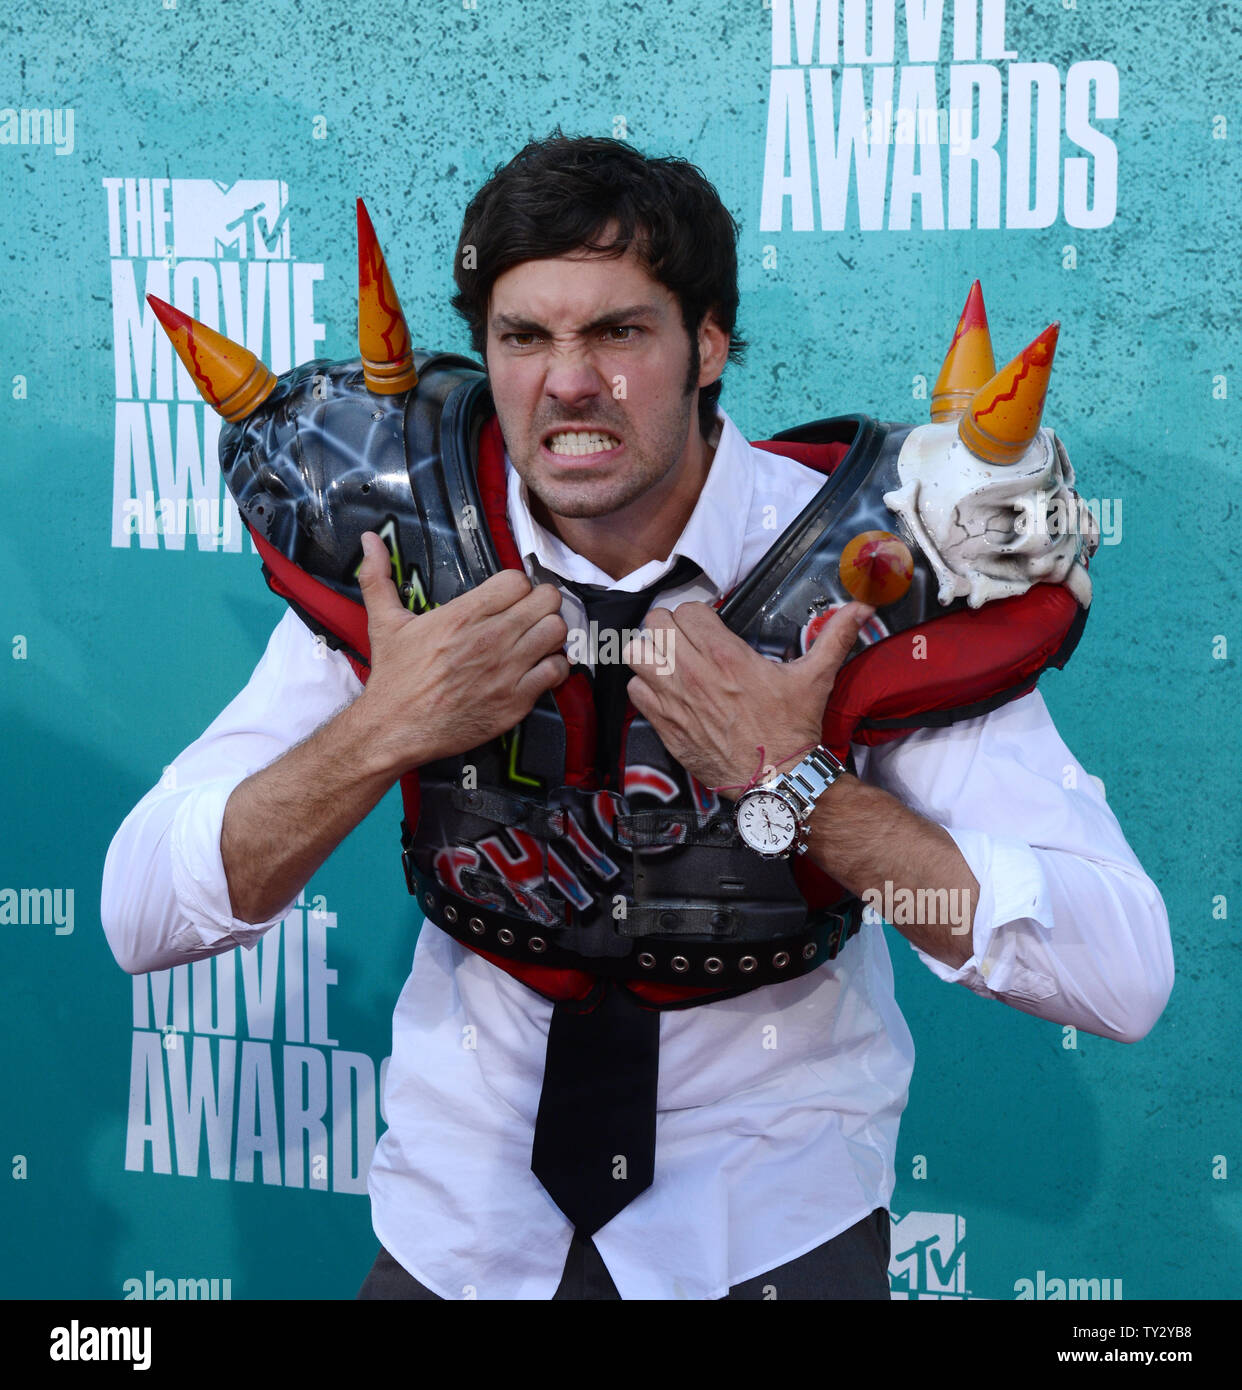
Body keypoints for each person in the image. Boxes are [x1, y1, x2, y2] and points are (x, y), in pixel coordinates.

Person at [101, 133, 1173, 1301]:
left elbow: (1119, 973)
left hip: (768, 1233)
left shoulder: (868, 574)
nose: (569, 383)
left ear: (707, 342)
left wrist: (796, 782)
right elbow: (143, 912)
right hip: (461, 1234)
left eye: (617, 332)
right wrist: (385, 728)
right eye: (525, 337)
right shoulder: (400, 559)